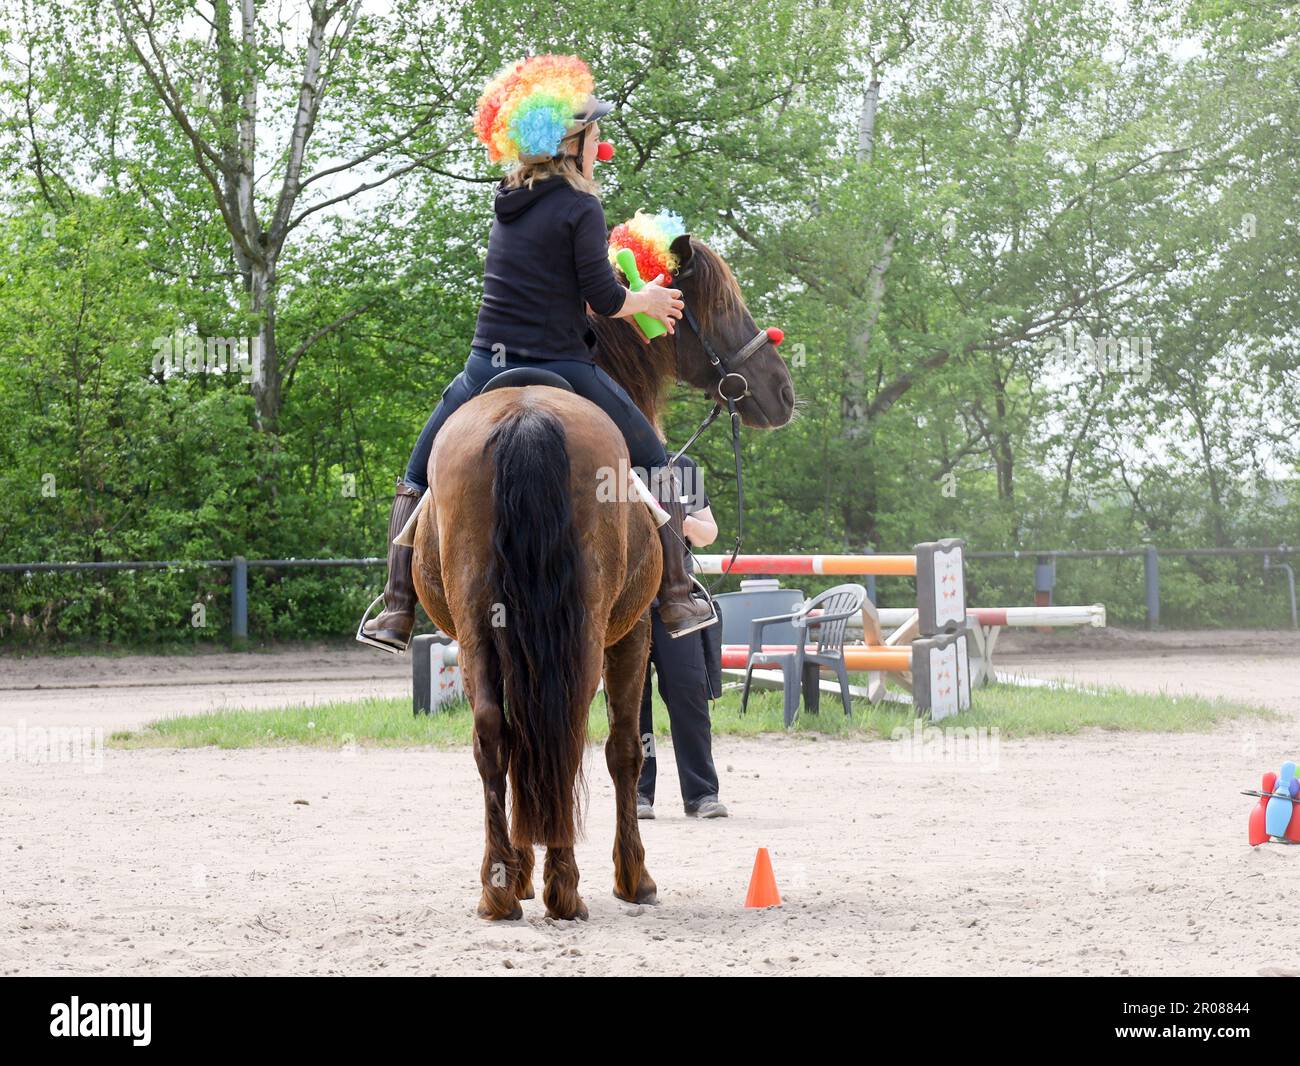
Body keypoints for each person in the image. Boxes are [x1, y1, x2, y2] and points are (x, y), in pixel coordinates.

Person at [357, 54, 716, 652]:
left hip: (484, 368)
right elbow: (601, 298)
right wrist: (647, 299)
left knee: (418, 473)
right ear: (571, 144)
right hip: (563, 365)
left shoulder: (506, 203)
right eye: (594, 134)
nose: (600, 145)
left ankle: (396, 607)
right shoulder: (580, 207)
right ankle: (678, 592)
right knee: (655, 459)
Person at [637, 452, 728, 820]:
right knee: (630, 705)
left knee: (689, 694)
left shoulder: (684, 469)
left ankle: (702, 794)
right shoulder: (612, 465)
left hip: (677, 600)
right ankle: (638, 794)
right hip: (629, 605)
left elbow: (709, 533)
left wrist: (681, 520)